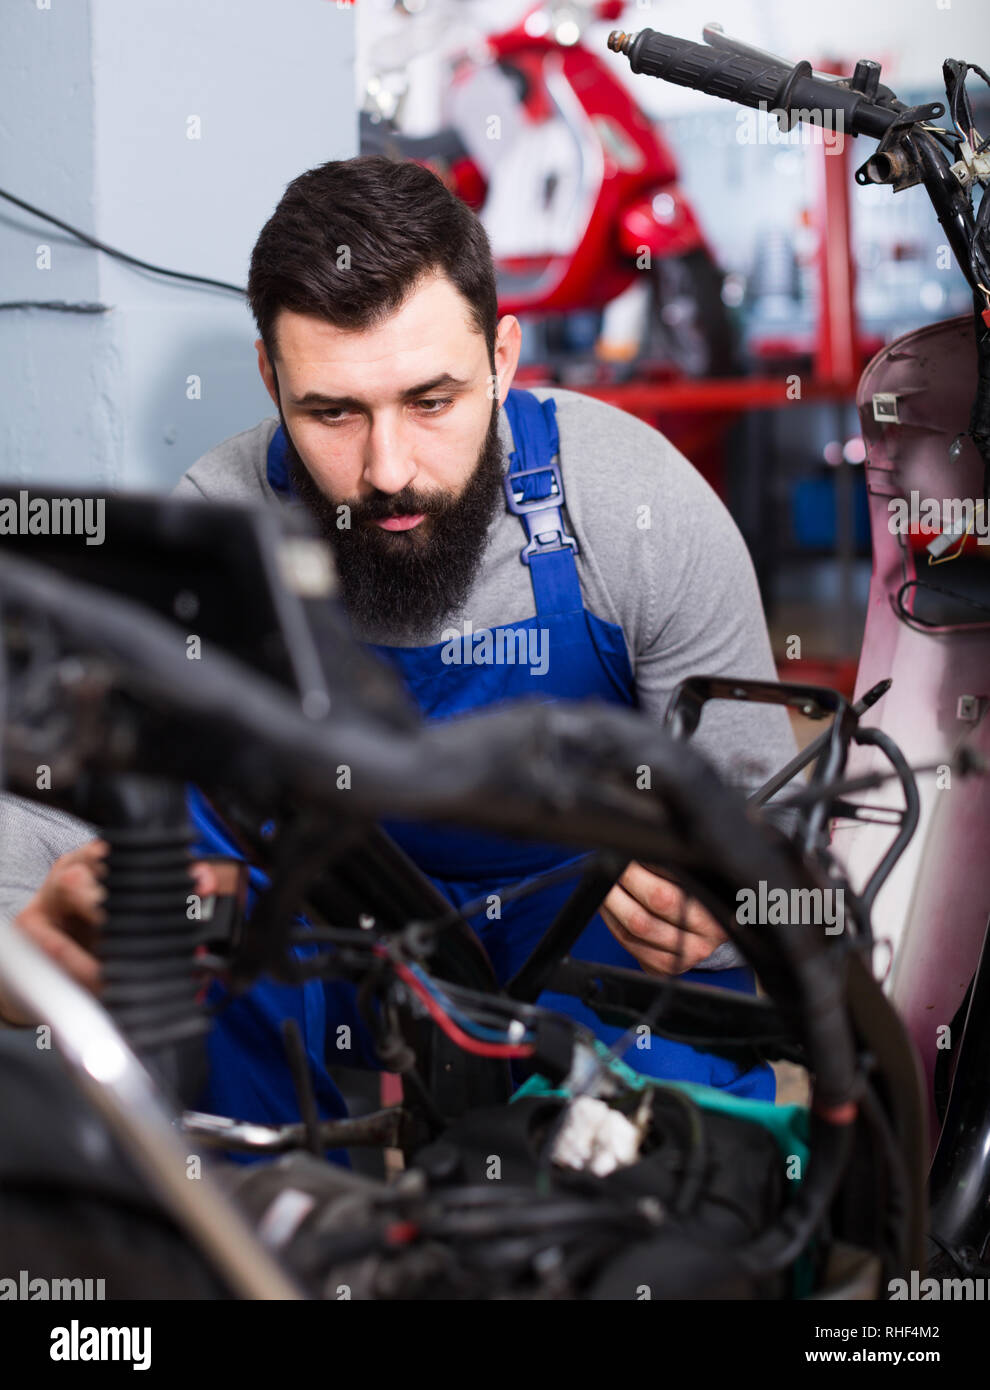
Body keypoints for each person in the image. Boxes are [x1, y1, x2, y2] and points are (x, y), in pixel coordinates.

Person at [0, 156, 797, 1124]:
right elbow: (57, 817)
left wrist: (725, 906)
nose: (387, 471)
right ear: (270, 377)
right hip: (343, 923)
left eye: (432, 402)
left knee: (661, 1135)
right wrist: (27, 944)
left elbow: (776, 827)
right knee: (186, 887)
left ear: (503, 359)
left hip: (586, 921)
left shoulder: (635, 507)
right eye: (332, 412)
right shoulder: (224, 520)